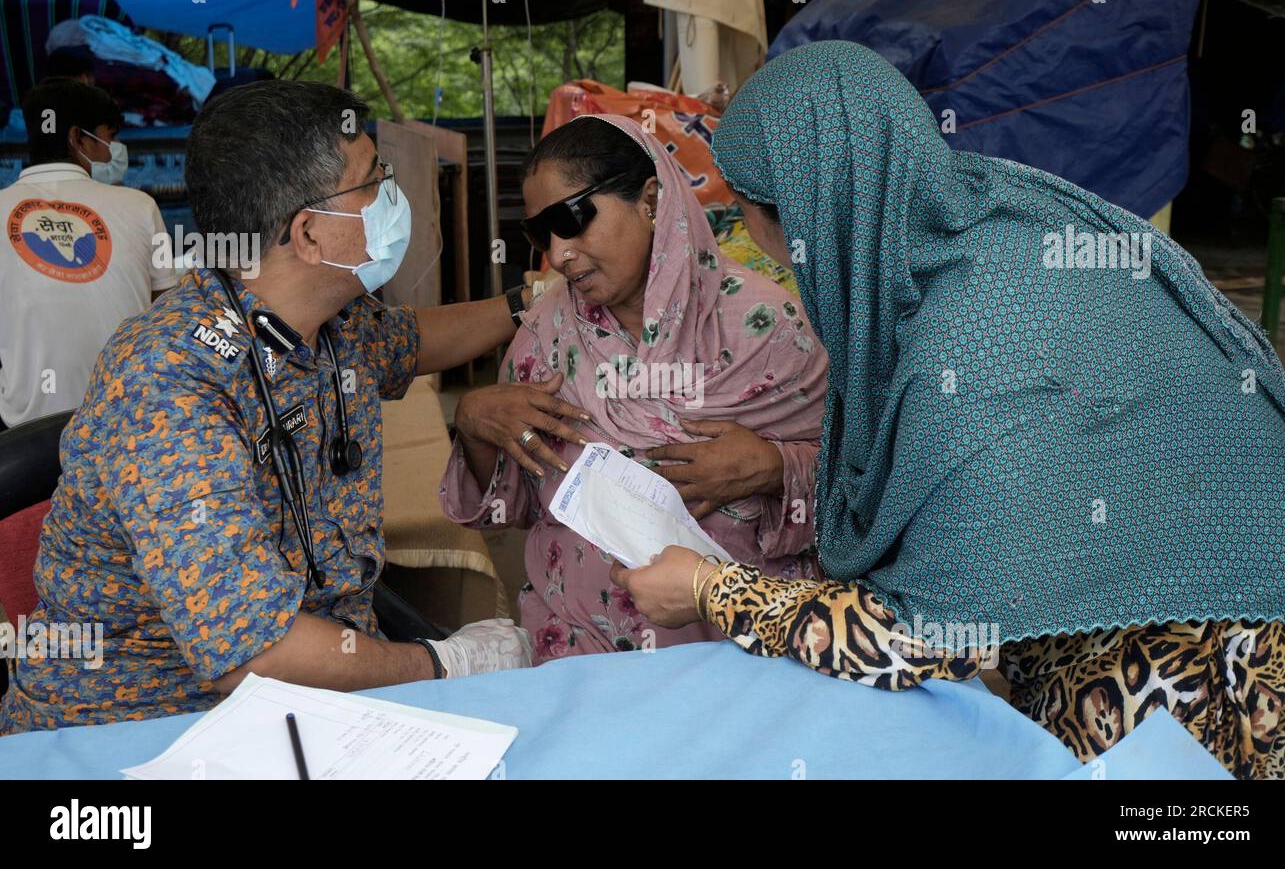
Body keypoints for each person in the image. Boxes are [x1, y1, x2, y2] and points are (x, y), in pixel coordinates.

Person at [612, 41, 1285, 779]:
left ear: (804, 216)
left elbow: (923, 636)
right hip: (1175, 577)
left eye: (751, 218)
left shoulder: (968, 352)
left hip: (1201, 652)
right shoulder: (981, 213)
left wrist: (710, 590)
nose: (765, 253)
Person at [0, 80, 580, 733]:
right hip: (147, 724)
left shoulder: (328, 321)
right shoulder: (169, 383)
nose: (392, 193)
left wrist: (529, 301)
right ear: (307, 233)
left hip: (301, 692)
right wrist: (442, 664)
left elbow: (418, 339)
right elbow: (249, 649)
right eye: (372, 180)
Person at [443, 115, 828, 660]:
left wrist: (773, 467)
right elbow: (513, 504)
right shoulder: (546, 333)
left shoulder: (767, 329)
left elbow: (862, 490)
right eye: (538, 234)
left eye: (572, 220)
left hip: (736, 656)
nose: (557, 254)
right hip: (577, 654)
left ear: (650, 200)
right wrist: (477, 426)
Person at [0, 79, 175, 429]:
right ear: (77, 138)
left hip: (21, 434)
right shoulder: (139, 206)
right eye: (107, 139)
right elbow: (168, 314)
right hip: (126, 424)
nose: (112, 154)